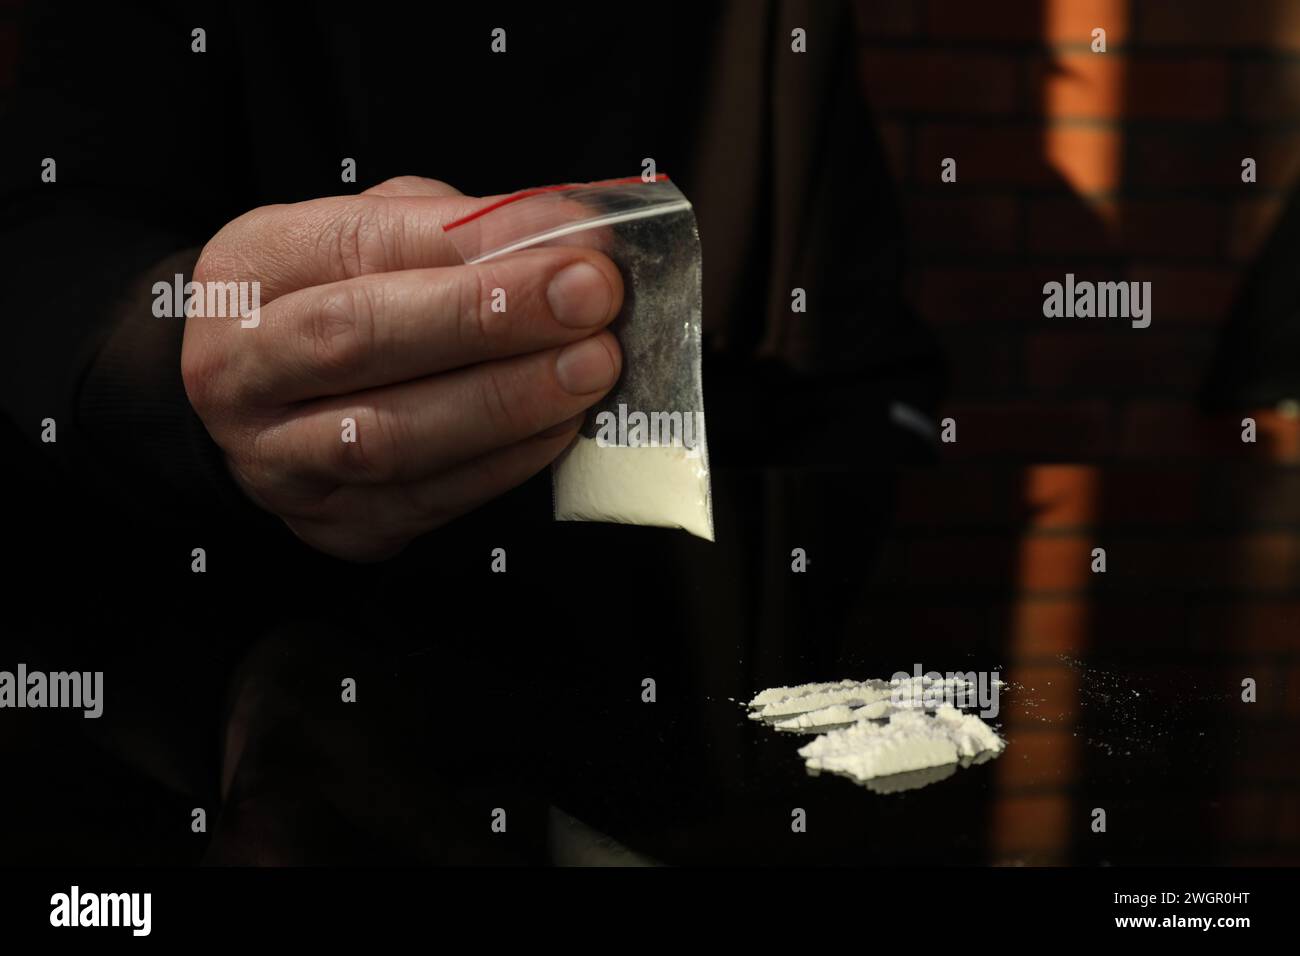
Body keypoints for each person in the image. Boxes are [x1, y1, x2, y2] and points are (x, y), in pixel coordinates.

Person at [0, 1, 945, 864]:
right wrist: (190, 348)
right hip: (239, 675)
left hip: (670, 717)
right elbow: (43, 258)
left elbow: (868, 373)